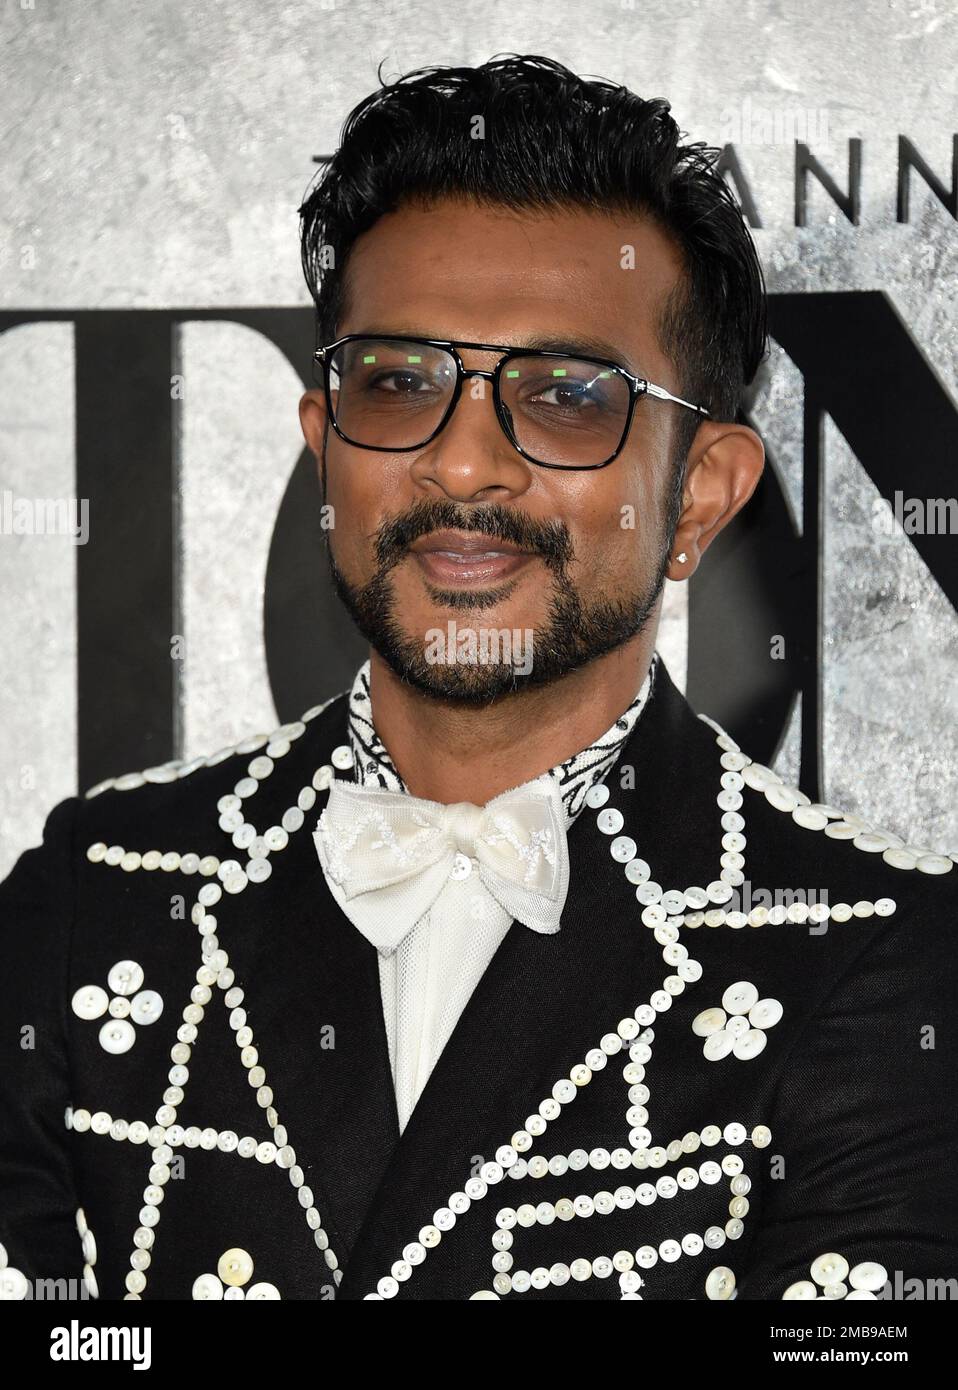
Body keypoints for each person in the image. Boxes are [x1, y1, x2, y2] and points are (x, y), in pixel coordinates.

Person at [1, 53, 956, 1303]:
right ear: (327, 450)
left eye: (564, 398)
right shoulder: (97, 896)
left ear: (697, 496)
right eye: (399, 383)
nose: (462, 466)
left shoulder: (877, 958)